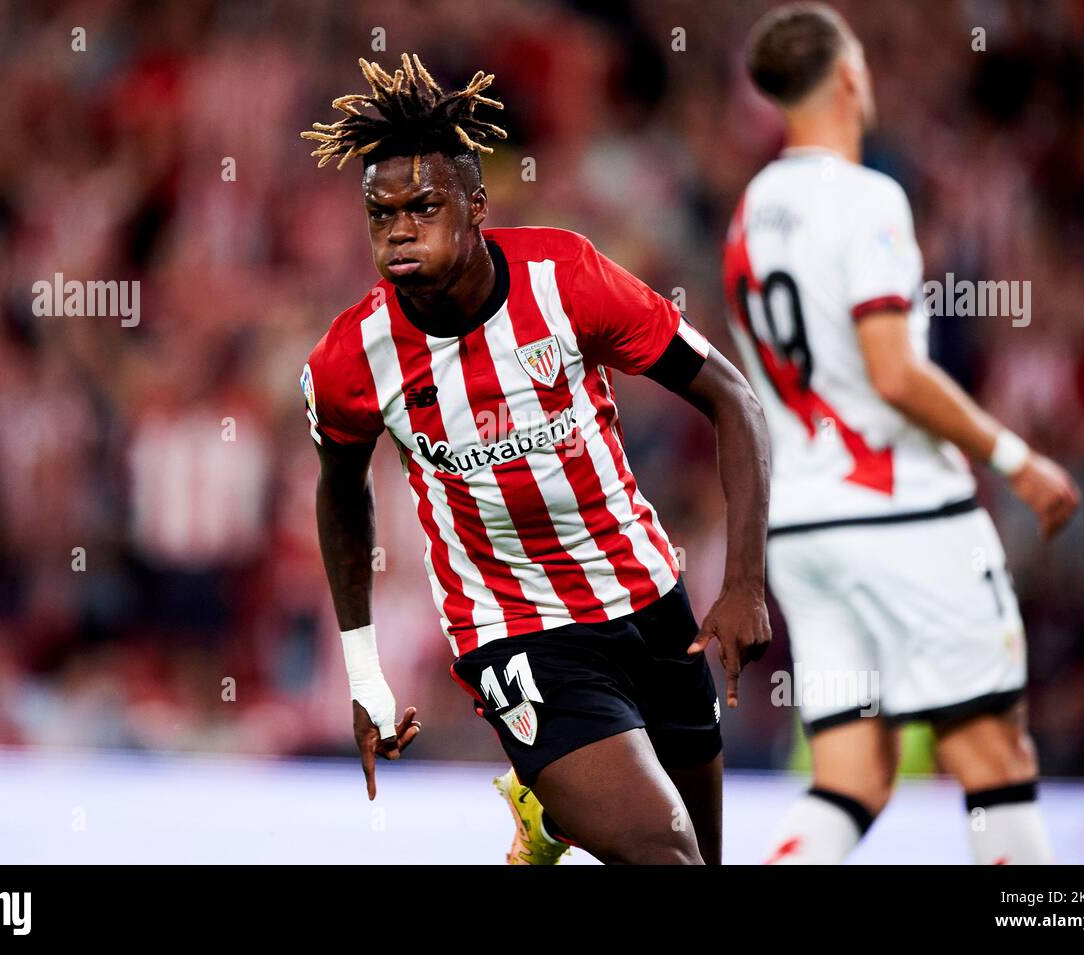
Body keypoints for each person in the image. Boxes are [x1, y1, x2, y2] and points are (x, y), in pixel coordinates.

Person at [302, 55, 772, 864]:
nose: (401, 230)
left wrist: (742, 583)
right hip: (512, 628)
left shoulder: (568, 279)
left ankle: (552, 816)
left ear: (476, 206)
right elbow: (341, 494)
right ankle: (561, 788)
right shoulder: (352, 359)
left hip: (647, 599)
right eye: (382, 216)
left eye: (424, 207)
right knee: (668, 856)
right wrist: (363, 672)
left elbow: (735, 400)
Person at [725, 3, 1080, 864]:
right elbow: (892, 371)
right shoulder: (867, 197)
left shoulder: (749, 213)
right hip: (902, 514)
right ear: (850, 75)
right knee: (996, 761)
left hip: (805, 528)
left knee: (851, 777)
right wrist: (1015, 455)